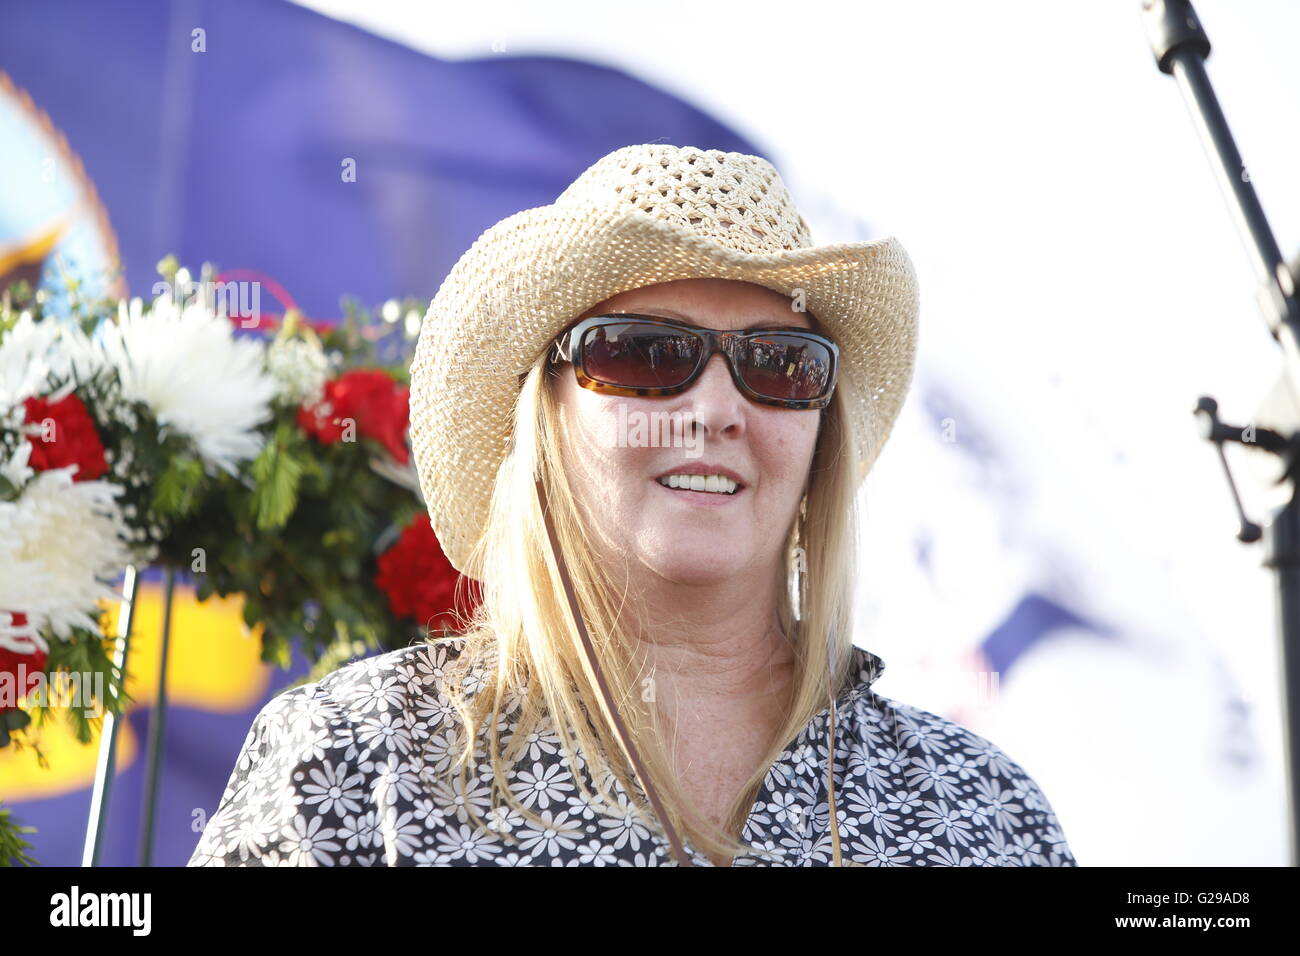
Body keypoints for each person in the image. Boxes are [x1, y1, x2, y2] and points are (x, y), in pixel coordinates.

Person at [188, 143, 1077, 867]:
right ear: (547, 417)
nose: (720, 408)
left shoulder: (985, 815)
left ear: (820, 434)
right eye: (646, 354)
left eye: (780, 365)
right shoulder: (356, 759)